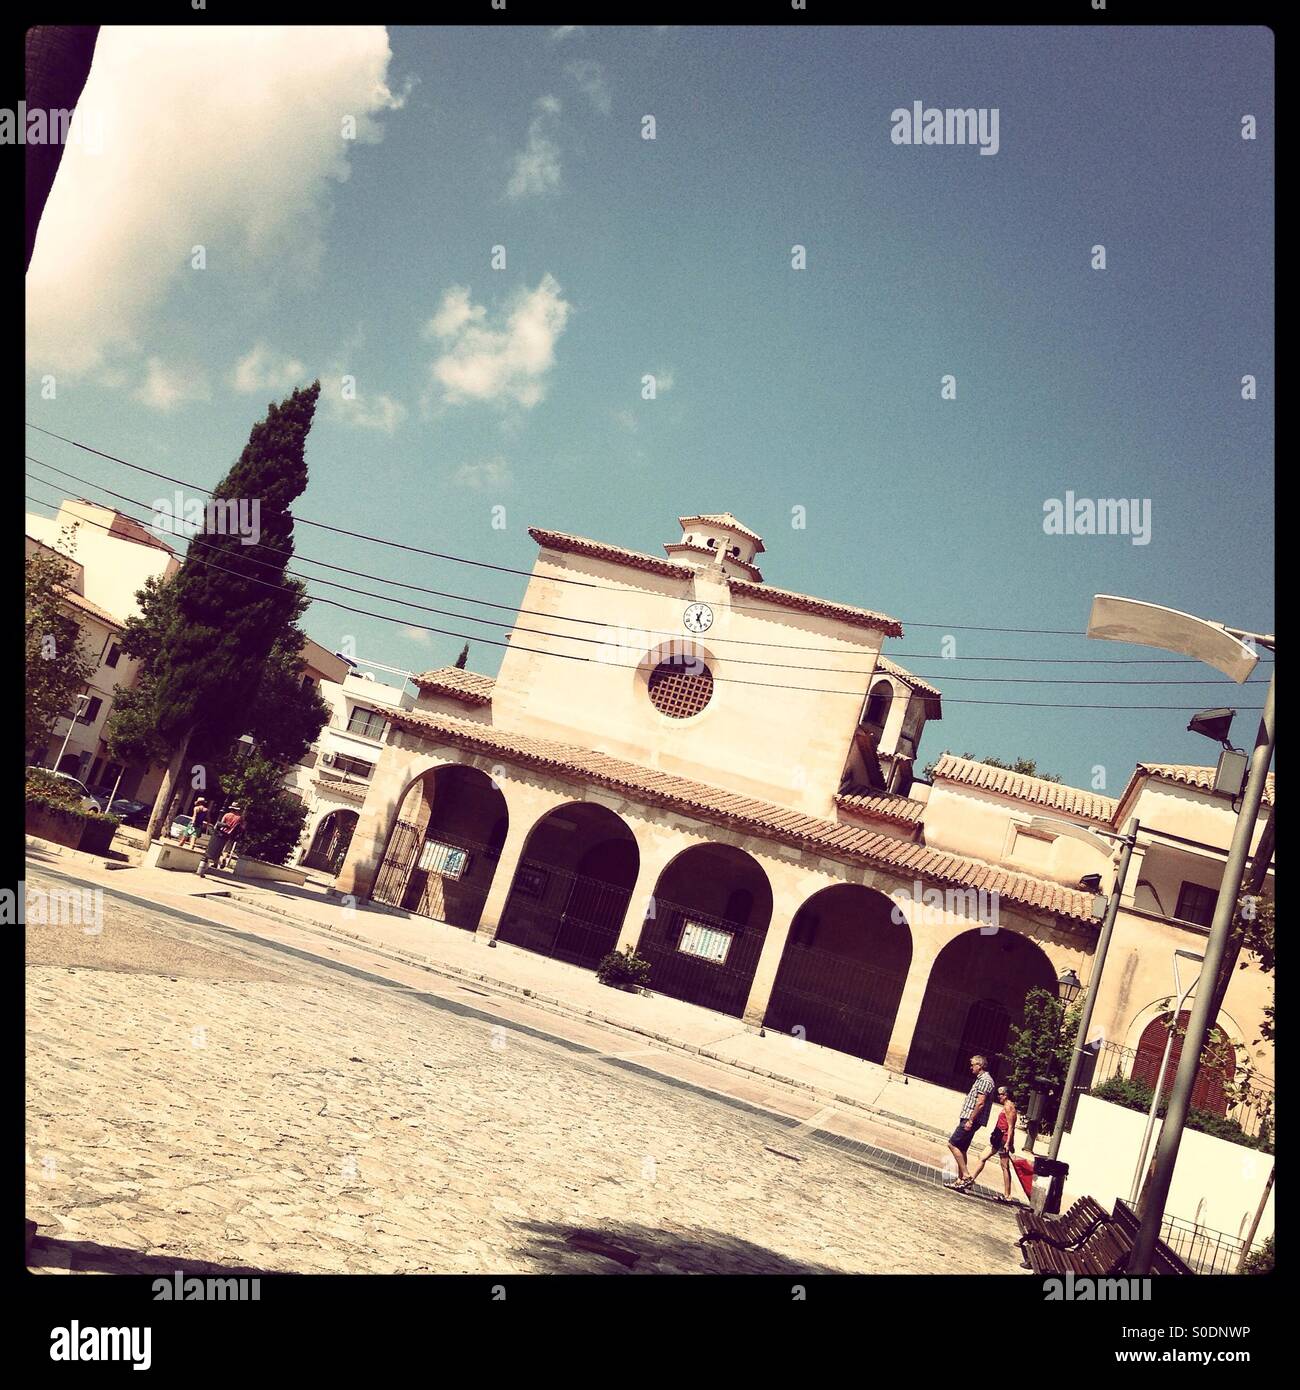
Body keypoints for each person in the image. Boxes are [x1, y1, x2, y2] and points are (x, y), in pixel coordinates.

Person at [944, 1054, 996, 1190]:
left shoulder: (985, 1081)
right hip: (969, 1118)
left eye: (973, 1065)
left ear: (980, 1066)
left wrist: (970, 1120)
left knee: (952, 1144)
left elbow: (980, 1103)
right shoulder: (982, 1079)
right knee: (962, 1148)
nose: (971, 1067)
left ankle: (966, 1176)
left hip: (971, 1119)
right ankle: (960, 1181)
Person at [959, 1086, 1019, 1201]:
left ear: (1005, 1095)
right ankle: (970, 1181)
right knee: (982, 1157)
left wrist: (1008, 1143)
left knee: (1004, 1167)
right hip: (998, 1138)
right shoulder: (1007, 1106)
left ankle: (1007, 1195)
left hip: (1002, 1139)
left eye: (1000, 1095)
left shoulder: (1009, 1107)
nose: (998, 1097)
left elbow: (1011, 1127)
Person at [196, 803, 243, 876]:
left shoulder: (227, 815)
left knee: (217, 848)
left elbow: (221, 823)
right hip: (230, 835)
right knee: (225, 849)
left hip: (221, 833)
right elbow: (238, 827)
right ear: (237, 810)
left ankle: (216, 863)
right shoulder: (238, 818)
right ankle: (223, 859)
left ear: (231, 808)